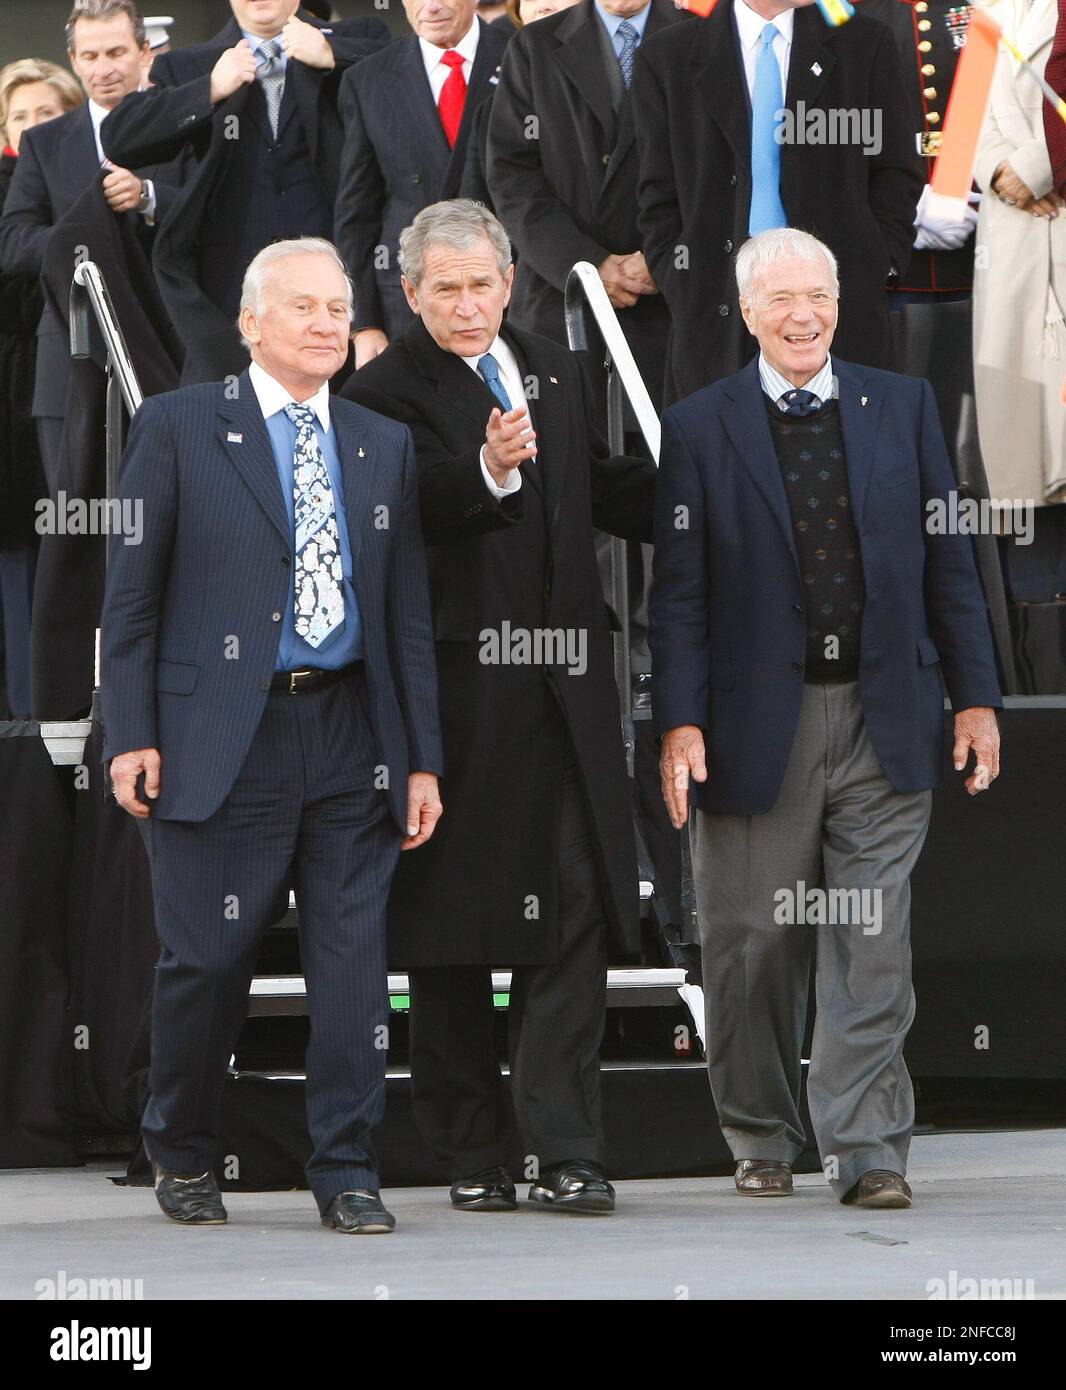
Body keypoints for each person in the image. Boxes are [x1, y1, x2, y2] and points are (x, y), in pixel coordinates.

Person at [649, 227, 1002, 1209]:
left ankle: (867, 1146)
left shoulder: (901, 407)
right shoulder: (700, 425)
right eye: (782, 300)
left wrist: (973, 694)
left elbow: (950, 562)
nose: (803, 316)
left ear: (839, 305)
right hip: (756, 723)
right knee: (751, 939)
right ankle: (760, 1130)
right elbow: (675, 598)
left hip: (885, 714)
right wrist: (678, 721)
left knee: (871, 936)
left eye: (819, 297)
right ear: (749, 313)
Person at [100, 237, 443, 1233]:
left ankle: (346, 1167)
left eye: (339, 308)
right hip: (217, 737)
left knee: (351, 964)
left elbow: (405, 616)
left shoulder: (383, 443)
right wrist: (133, 733)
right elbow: (130, 604)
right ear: (251, 322)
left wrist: (419, 754)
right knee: (204, 961)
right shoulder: (174, 427)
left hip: (348, 735)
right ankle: (186, 1147)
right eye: (304, 308)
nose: (328, 324)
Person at [343, 199, 656, 1215]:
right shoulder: (382, 390)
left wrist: (708, 486)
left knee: (573, 924)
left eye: (482, 284)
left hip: (568, 700)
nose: (468, 306)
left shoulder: (553, 363)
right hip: (457, 707)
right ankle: (473, 1152)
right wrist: (488, 466)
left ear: (511, 280)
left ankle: (567, 1149)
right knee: (452, 938)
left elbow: (590, 490)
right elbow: (404, 511)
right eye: (446, 289)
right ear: (410, 292)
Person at [630, 0, 923, 403]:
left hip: (840, 305)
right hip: (714, 308)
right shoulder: (668, 54)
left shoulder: (864, 43)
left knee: (850, 455)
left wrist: (875, 262)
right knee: (723, 457)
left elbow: (896, 172)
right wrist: (682, 280)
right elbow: (656, 194)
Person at [101, 1, 390, 382]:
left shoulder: (361, 39)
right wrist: (211, 88)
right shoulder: (190, 65)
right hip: (228, 306)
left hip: (336, 293)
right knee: (228, 431)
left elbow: (406, 70)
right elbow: (120, 138)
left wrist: (329, 53)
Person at [0, 0, 172, 494]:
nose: (104, 68)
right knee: (75, 529)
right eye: (91, 55)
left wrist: (148, 198)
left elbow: (208, 222)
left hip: (162, 348)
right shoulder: (44, 142)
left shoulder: (186, 123)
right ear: (74, 60)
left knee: (159, 516)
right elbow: (12, 242)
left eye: (117, 52)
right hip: (66, 361)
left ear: (144, 53)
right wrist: (87, 234)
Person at [335, 0, 511, 367]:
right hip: (408, 301)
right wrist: (364, 324)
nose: (431, 6)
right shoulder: (368, 78)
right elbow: (357, 214)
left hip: (509, 295)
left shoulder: (520, 55)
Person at [973, 0, 1066, 609]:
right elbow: (970, 121)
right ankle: (1039, 669)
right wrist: (997, 172)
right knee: (1027, 467)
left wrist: (1044, 164)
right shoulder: (994, 5)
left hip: (1048, 206)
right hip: (1018, 241)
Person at [0, 58, 84, 719]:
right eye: (18, 116)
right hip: (10, 396)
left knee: (65, 545)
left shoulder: (88, 180)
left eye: (45, 114)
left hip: (63, 386)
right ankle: (26, 718)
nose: (31, 129)